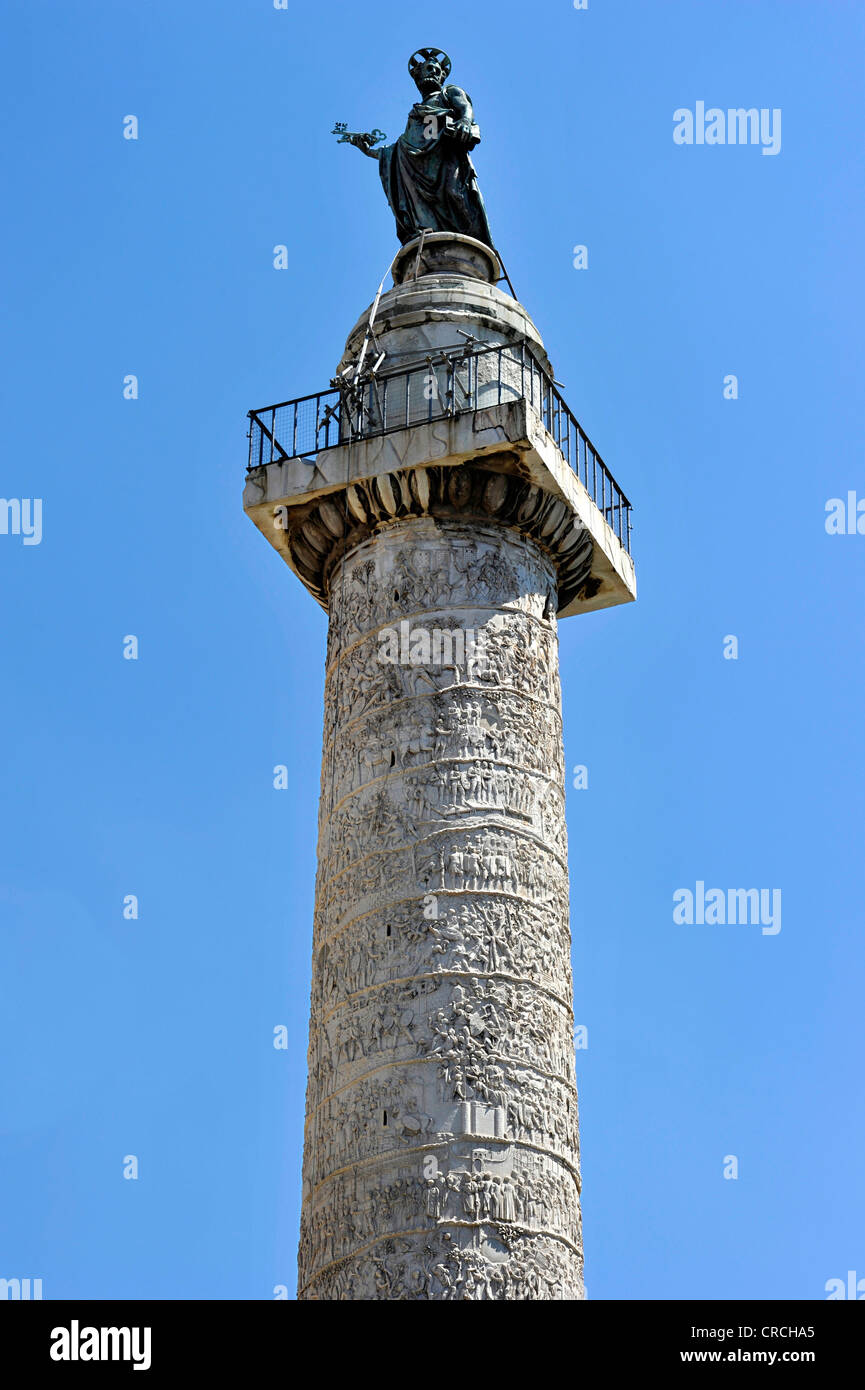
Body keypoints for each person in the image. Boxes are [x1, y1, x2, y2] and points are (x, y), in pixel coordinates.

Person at [343, 47, 493, 248]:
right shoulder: (416, 114)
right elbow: (402, 150)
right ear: (417, 75)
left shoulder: (449, 93)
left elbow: (465, 107)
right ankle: (431, 238)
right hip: (419, 175)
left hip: (447, 160)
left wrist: (465, 120)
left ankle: (470, 244)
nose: (433, 72)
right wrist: (367, 150)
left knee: (454, 194)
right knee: (426, 208)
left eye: (437, 69)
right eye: (428, 68)